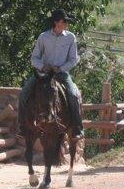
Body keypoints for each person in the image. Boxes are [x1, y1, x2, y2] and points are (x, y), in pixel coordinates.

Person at [17, 9, 84, 138]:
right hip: (43, 75)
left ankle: (77, 128)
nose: (66, 24)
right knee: (24, 93)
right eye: (64, 21)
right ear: (56, 22)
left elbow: (73, 59)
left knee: (74, 95)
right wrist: (43, 67)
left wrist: (61, 68)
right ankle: (22, 127)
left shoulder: (71, 37)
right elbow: (34, 58)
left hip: (61, 73)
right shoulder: (43, 37)